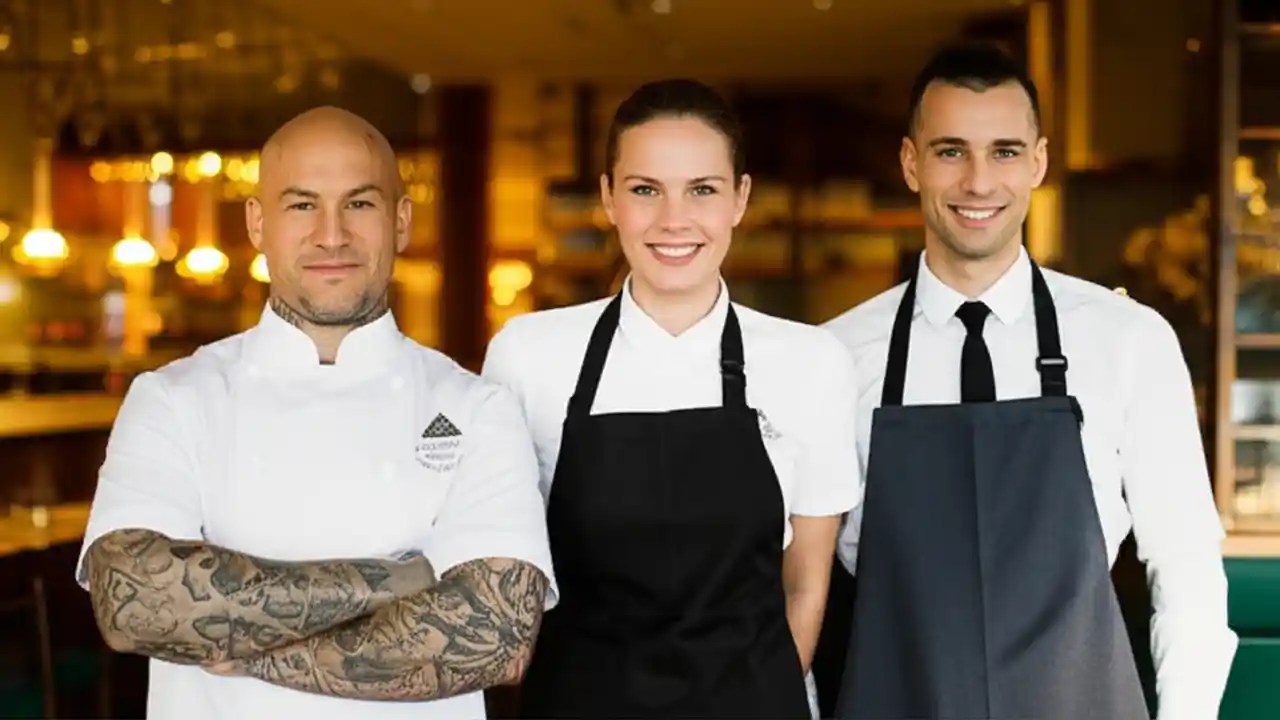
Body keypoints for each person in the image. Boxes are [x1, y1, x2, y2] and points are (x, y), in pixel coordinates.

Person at [77, 106, 556, 720]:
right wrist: (410, 579)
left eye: (359, 204)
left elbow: (494, 638)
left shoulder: (477, 407)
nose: (332, 235)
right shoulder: (171, 398)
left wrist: (249, 654)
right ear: (258, 224)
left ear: (401, 221)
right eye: (302, 205)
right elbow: (134, 602)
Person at [822, 43, 1237, 720]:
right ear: (910, 163)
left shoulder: (1129, 340)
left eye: (1005, 151)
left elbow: (1186, 567)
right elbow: (797, 588)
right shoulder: (835, 357)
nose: (979, 182)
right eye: (951, 150)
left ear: (1038, 162)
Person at [481, 78, 860, 718]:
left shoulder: (811, 363)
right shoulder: (528, 355)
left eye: (702, 190)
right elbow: (502, 576)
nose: (674, 220)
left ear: (740, 198)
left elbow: (806, 585)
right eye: (645, 190)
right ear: (608, 197)